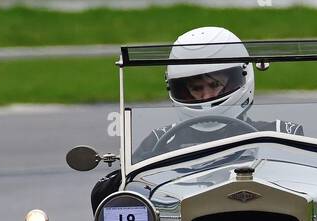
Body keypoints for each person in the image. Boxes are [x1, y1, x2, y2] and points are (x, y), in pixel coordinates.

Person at [92, 26, 302, 208]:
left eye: (215, 85)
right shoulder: (160, 142)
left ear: (241, 77)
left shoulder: (280, 135)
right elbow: (111, 195)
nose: (207, 96)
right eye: (196, 88)